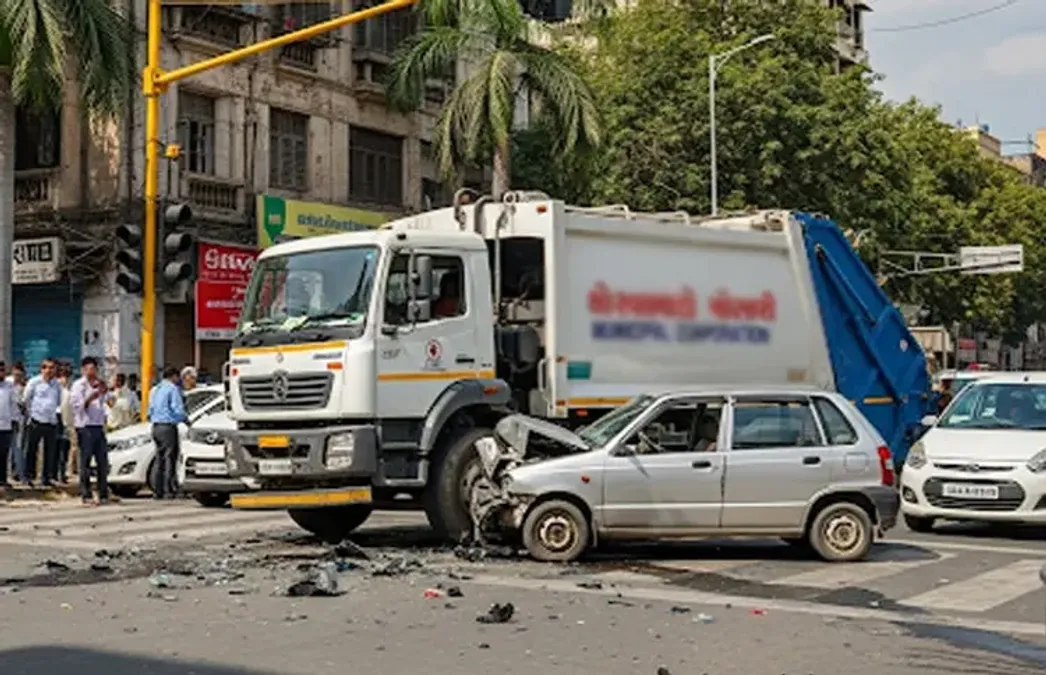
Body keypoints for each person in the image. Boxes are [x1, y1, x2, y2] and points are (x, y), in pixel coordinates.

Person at [70, 357, 111, 505]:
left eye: (94, 369)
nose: (92, 372)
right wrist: (90, 397)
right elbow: (77, 407)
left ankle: (103, 493)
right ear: (83, 370)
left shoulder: (99, 384)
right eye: (88, 369)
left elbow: (110, 402)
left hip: (99, 426)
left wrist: (105, 391)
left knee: (102, 462)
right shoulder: (78, 386)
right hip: (85, 427)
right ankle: (86, 494)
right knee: (85, 462)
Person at [21, 358, 62, 487]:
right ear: (42, 369)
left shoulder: (57, 384)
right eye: (47, 367)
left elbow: (58, 401)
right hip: (36, 420)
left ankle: (46, 478)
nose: (49, 370)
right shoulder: (34, 382)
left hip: (51, 421)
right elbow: (25, 400)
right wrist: (30, 415)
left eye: (52, 367)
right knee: (31, 450)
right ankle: (29, 477)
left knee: (49, 452)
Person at [148, 366, 186, 499]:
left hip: (156, 427)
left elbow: (150, 410)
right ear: (174, 376)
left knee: (159, 459)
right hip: (168, 427)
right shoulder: (173, 389)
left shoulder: (154, 389)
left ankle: (157, 490)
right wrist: (185, 419)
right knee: (170, 458)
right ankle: (168, 489)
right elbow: (178, 410)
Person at [0, 362, 19, 489]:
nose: (0, 373)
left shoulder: (9, 386)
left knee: (3, 454)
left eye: (2, 370)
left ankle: (2, 479)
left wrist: (15, 420)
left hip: (6, 425)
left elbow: (13, 404)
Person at [56, 363, 74, 485]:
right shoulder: (57, 389)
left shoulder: (68, 390)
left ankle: (62, 474)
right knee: (58, 450)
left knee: (65, 449)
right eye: (64, 375)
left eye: (68, 376)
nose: (65, 379)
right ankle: (57, 474)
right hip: (57, 420)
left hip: (66, 423)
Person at [7, 362, 26, 482]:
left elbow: (23, 405)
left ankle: (18, 474)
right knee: (7, 450)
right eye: (16, 373)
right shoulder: (7, 384)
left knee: (17, 449)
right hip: (5, 421)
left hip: (17, 421)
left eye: (20, 374)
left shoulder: (22, 387)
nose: (18, 376)